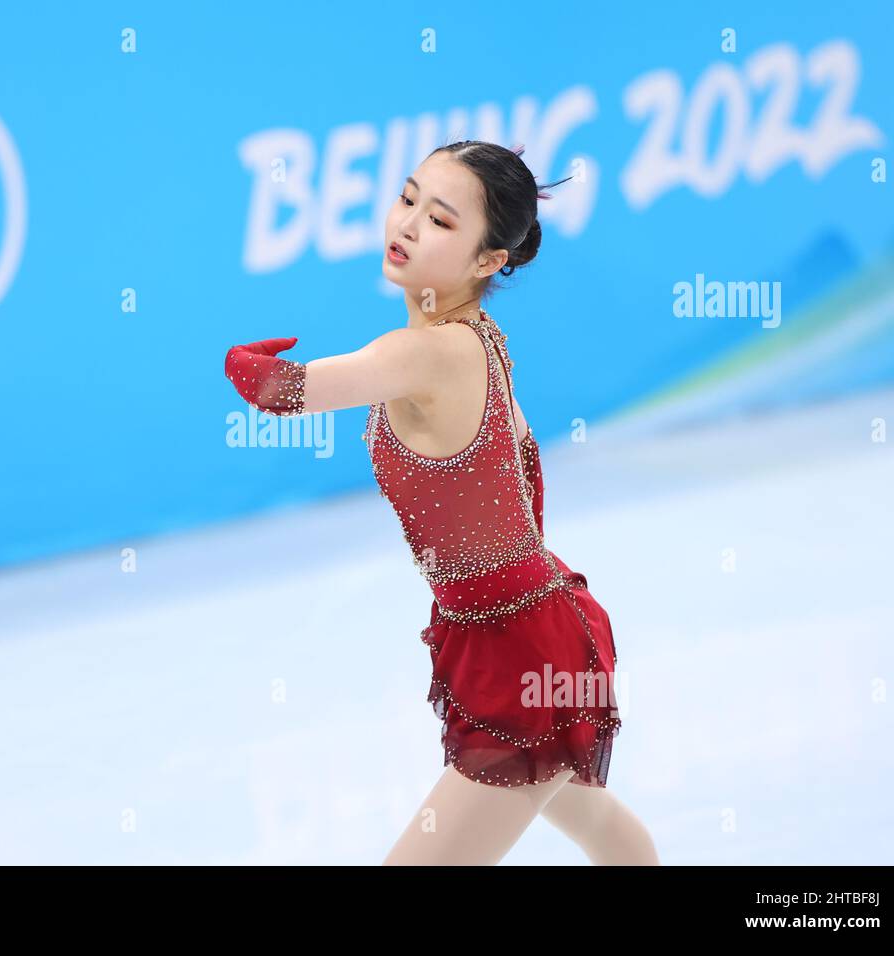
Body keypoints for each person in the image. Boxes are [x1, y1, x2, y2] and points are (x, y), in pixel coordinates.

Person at [224, 141, 659, 866]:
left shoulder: (426, 353)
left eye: (442, 220)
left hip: (522, 653)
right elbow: (522, 473)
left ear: (489, 261)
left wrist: (243, 363)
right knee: (600, 826)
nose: (409, 223)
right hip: (530, 633)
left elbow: (283, 391)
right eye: (408, 198)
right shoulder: (482, 340)